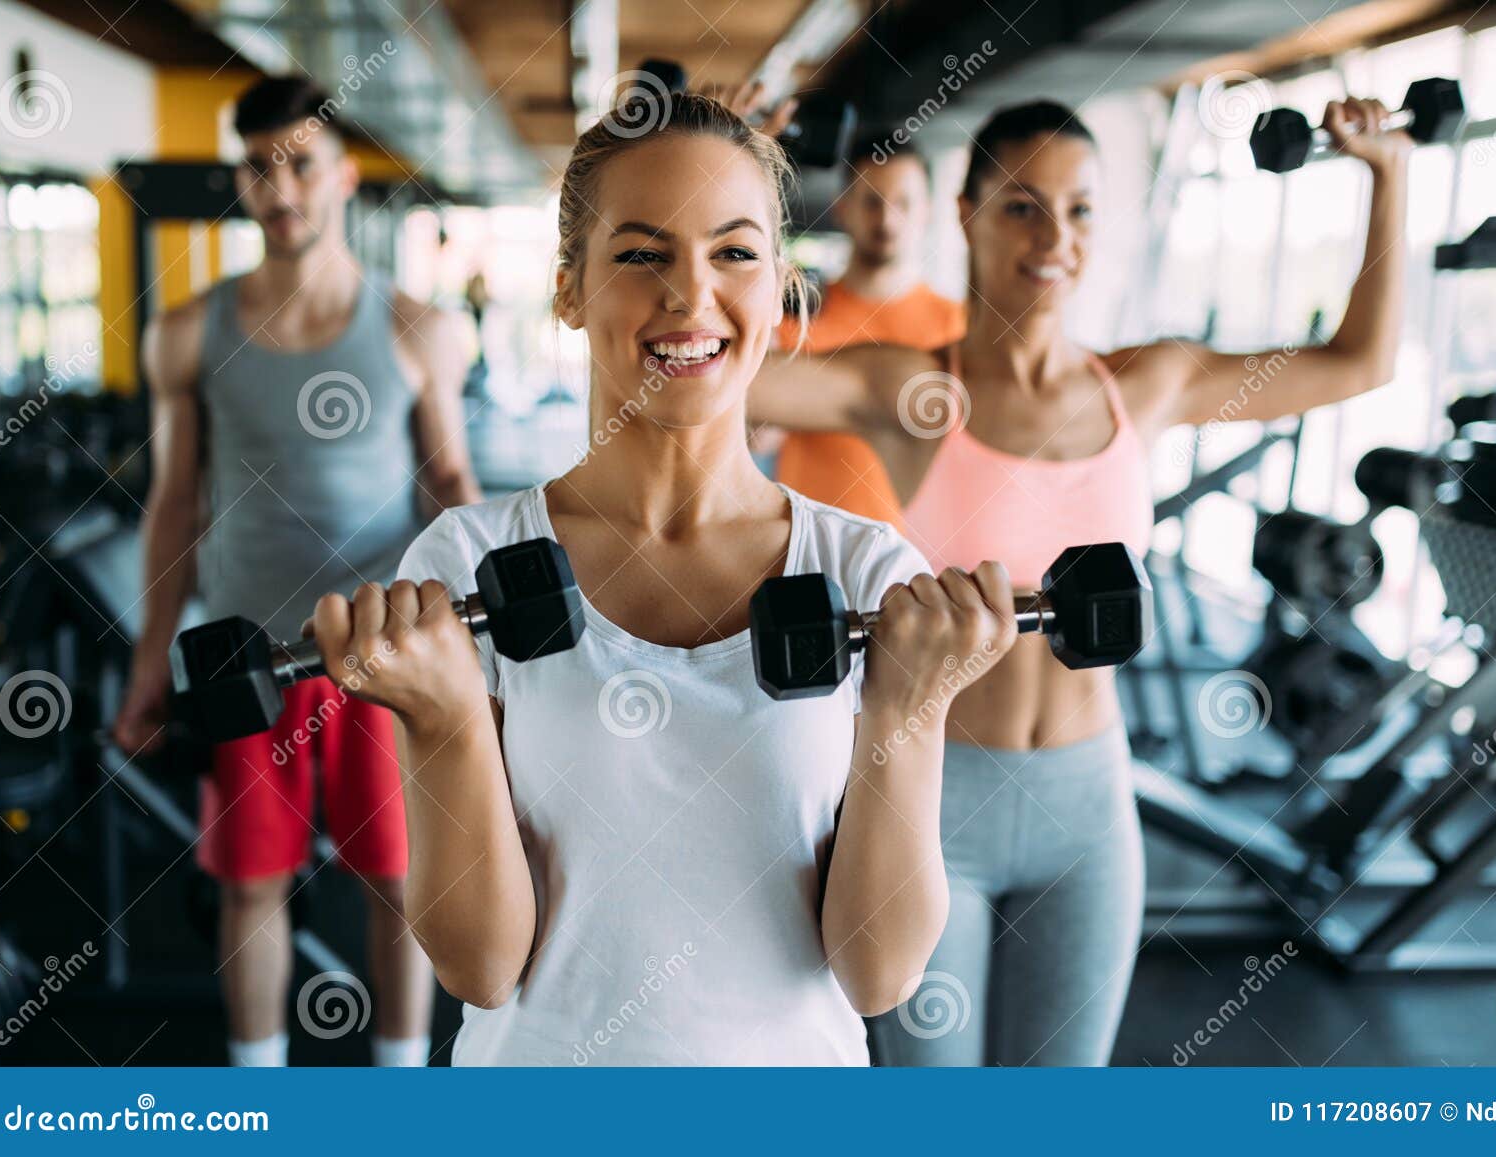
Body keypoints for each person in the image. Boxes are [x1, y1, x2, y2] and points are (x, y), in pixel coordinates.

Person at [306, 91, 1020, 1065]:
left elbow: (877, 971)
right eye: (641, 254)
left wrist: (915, 706)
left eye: (734, 253)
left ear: (782, 292)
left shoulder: (866, 572)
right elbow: (480, 966)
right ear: (569, 289)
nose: (690, 295)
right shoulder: (462, 562)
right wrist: (447, 721)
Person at [748, 97, 1408, 1065]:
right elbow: (721, 378)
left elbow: (1360, 361)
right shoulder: (908, 391)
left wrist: (1388, 175)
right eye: (1022, 206)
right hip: (936, 799)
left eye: (1081, 209)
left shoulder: (1146, 384)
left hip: (1089, 804)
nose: (1054, 237)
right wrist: (736, 176)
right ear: (966, 214)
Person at [111, 76, 483, 1067]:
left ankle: (400, 1088)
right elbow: (174, 502)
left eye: (300, 163)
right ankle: (259, 1096)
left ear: (342, 176)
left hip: (375, 650)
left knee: (397, 877)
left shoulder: (416, 328)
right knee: (250, 880)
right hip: (243, 655)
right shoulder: (189, 332)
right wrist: (152, 664)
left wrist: (485, 621)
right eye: (259, 166)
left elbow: (448, 480)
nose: (280, 189)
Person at [772, 137, 965, 525]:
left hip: (921, 554)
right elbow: (759, 439)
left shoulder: (961, 327)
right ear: (843, 209)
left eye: (903, 202)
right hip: (810, 547)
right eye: (872, 201)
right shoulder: (795, 318)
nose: (887, 218)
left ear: (926, 211)